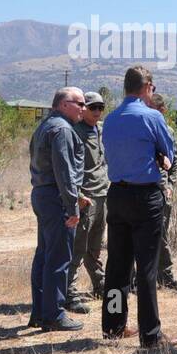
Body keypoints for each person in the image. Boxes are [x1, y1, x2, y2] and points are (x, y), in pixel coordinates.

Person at [101, 65, 177, 350]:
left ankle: (113, 326)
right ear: (147, 87)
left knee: (117, 266)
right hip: (145, 197)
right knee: (146, 268)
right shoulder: (152, 117)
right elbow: (168, 153)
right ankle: (151, 334)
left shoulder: (109, 119)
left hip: (117, 195)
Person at [27, 87, 86, 331]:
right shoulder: (61, 129)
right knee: (59, 257)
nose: (83, 108)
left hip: (42, 194)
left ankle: (40, 312)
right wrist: (73, 205)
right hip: (56, 198)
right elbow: (64, 172)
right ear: (63, 104)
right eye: (79, 103)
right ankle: (53, 315)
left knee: (45, 254)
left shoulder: (44, 126)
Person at [65, 91, 108, 313]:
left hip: (103, 195)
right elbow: (70, 169)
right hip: (86, 197)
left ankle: (100, 284)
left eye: (101, 108)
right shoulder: (75, 133)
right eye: (94, 108)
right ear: (84, 110)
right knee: (78, 247)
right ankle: (69, 292)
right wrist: (78, 195)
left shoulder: (100, 131)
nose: (98, 112)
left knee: (95, 246)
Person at [146, 93, 177, 289]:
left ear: (162, 111)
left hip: (161, 191)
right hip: (141, 189)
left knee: (160, 235)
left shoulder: (167, 131)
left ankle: (165, 276)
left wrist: (170, 185)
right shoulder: (139, 129)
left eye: (153, 109)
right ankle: (136, 277)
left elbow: (174, 162)